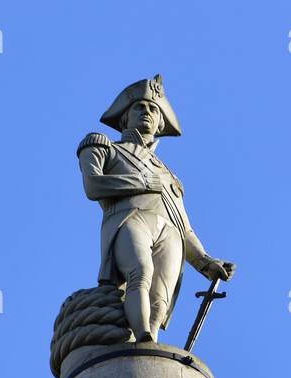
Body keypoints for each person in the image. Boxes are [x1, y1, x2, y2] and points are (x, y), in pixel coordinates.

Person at [77, 75, 236, 342]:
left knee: (160, 297)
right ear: (125, 117)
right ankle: (142, 337)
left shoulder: (171, 177)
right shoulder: (105, 147)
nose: (147, 112)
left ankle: (151, 345)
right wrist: (141, 181)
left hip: (169, 231)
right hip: (130, 218)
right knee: (140, 272)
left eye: (153, 109)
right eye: (139, 107)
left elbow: (184, 227)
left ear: (160, 122)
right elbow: (93, 186)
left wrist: (206, 262)